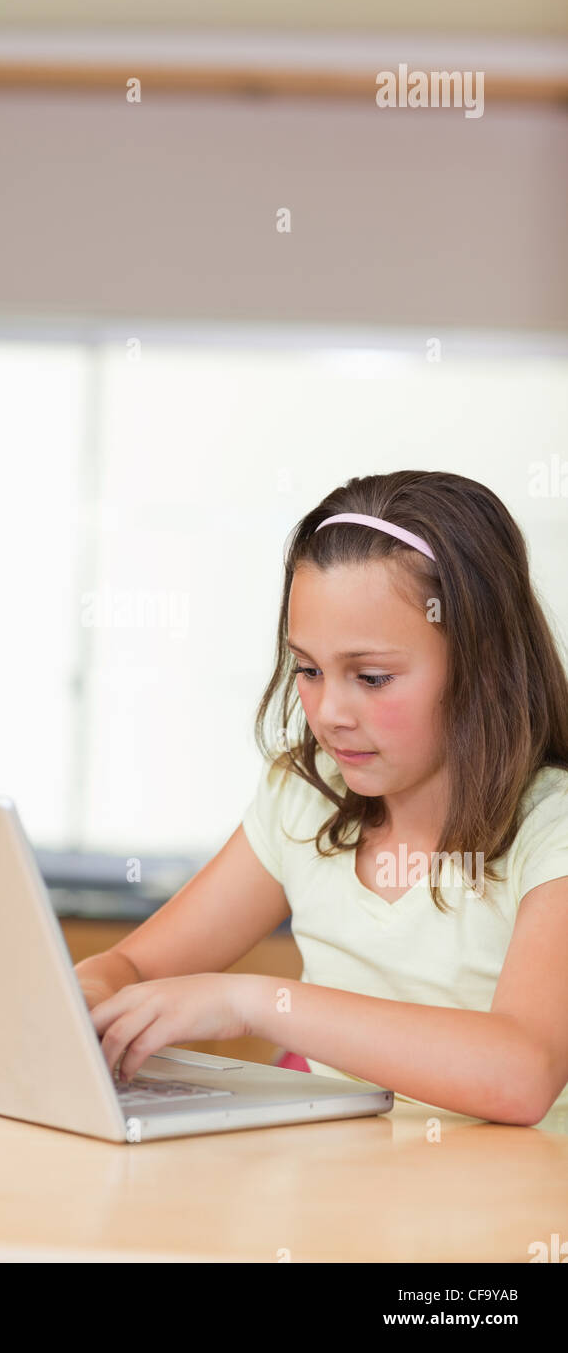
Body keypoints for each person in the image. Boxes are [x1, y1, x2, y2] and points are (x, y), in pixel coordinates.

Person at [76, 470, 568, 1125]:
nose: (330, 711)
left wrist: (255, 1004)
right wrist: (89, 992)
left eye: (371, 676)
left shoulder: (551, 830)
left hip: (493, 1214)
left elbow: (522, 1073)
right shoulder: (302, 801)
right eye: (308, 669)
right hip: (333, 1195)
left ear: (483, 667)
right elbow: (135, 963)